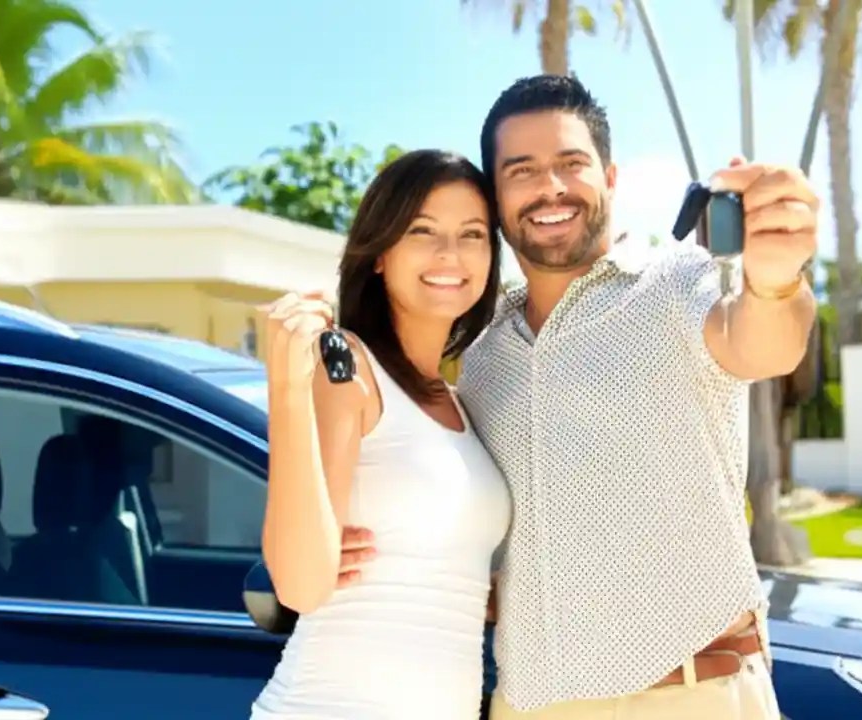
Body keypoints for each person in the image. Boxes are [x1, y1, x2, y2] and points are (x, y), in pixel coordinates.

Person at [340, 75, 819, 719]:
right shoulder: (479, 364)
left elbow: (763, 344)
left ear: (611, 177)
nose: (550, 188)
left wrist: (776, 281)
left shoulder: (680, 286)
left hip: (691, 697)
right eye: (522, 171)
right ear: (496, 198)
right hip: (528, 706)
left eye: (571, 164)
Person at [250, 148, 512, 720]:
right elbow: (300, 585)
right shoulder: (350, 373)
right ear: (378, 254)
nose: (450, 254)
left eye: (472, 234)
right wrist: (287, 389)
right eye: (423, 231)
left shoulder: (456, 400)